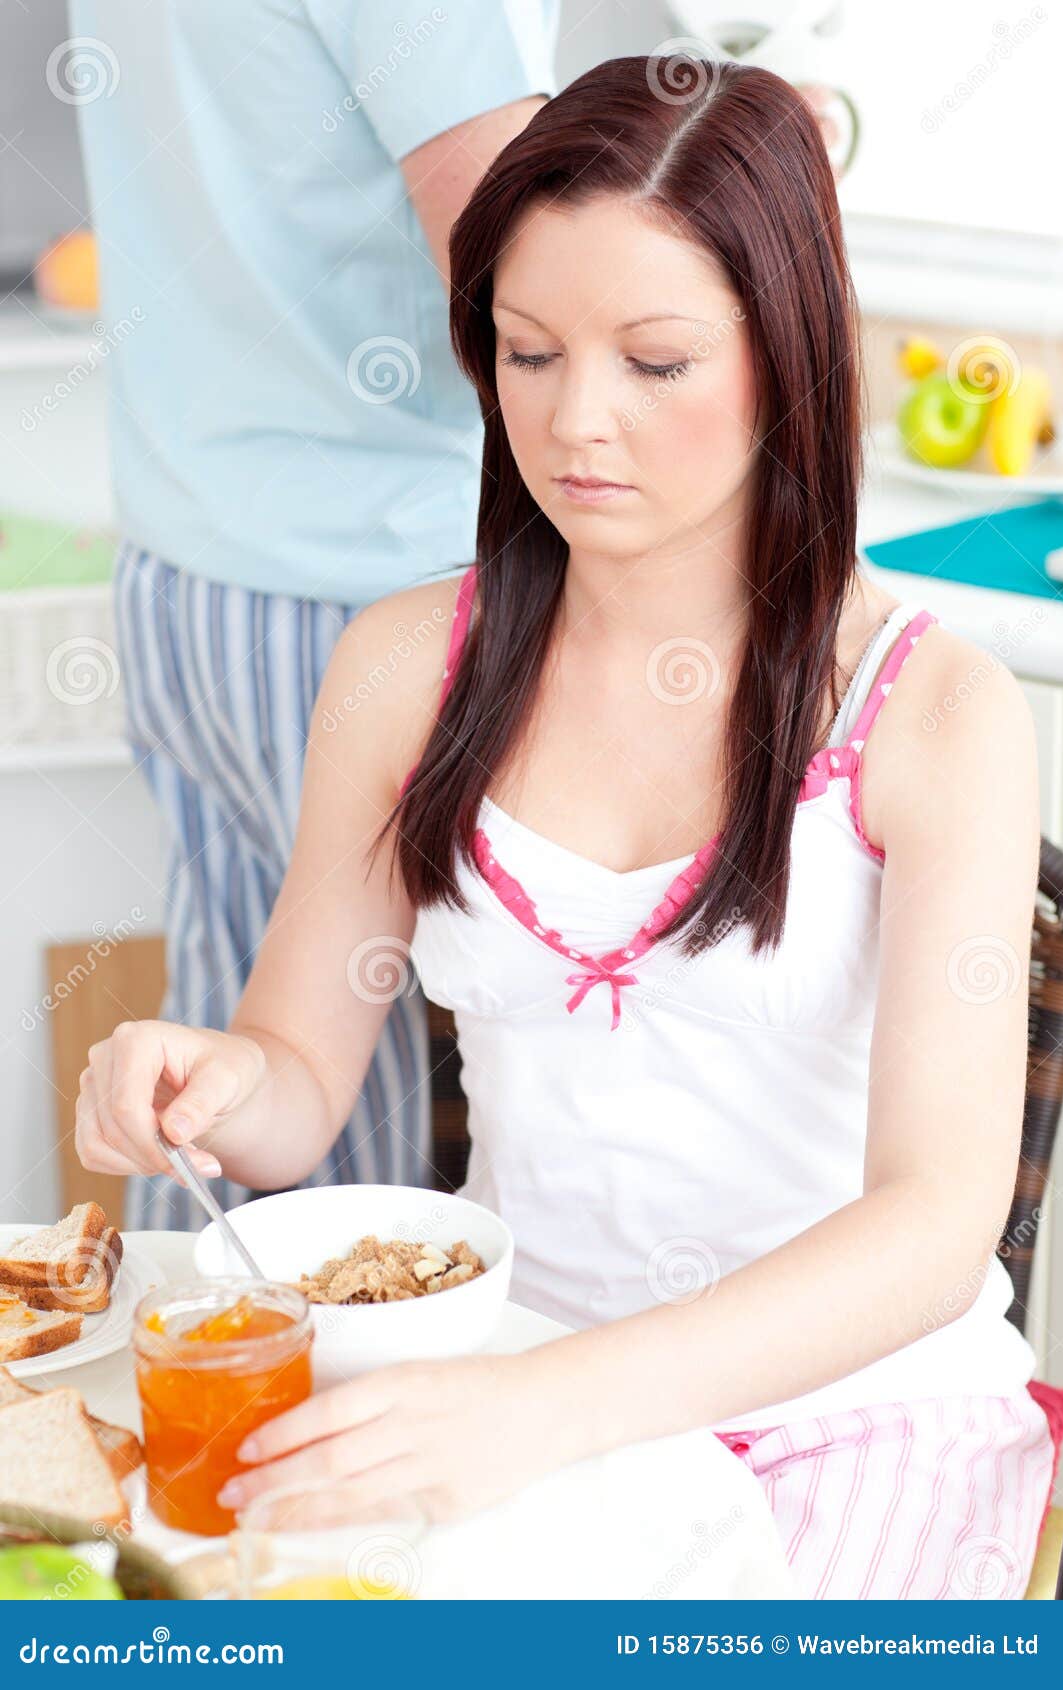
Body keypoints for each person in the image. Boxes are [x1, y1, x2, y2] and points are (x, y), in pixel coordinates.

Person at [76, 55, 1060, 1597]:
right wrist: (201, 1076)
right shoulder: (410, 665)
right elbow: (295, 1084)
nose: (573, 420)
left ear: (784, 355)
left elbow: (934, 1221)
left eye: (653, 362)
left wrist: (547, 1408)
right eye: (526, 353)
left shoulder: (932, 714)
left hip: (843, 1423)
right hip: (497, 1379)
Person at [69, 0, 560, 1228]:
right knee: (332, 1150)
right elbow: (530, 287)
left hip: (192, 563)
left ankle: (188, 1407)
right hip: (373, 582)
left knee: (225, 1076)